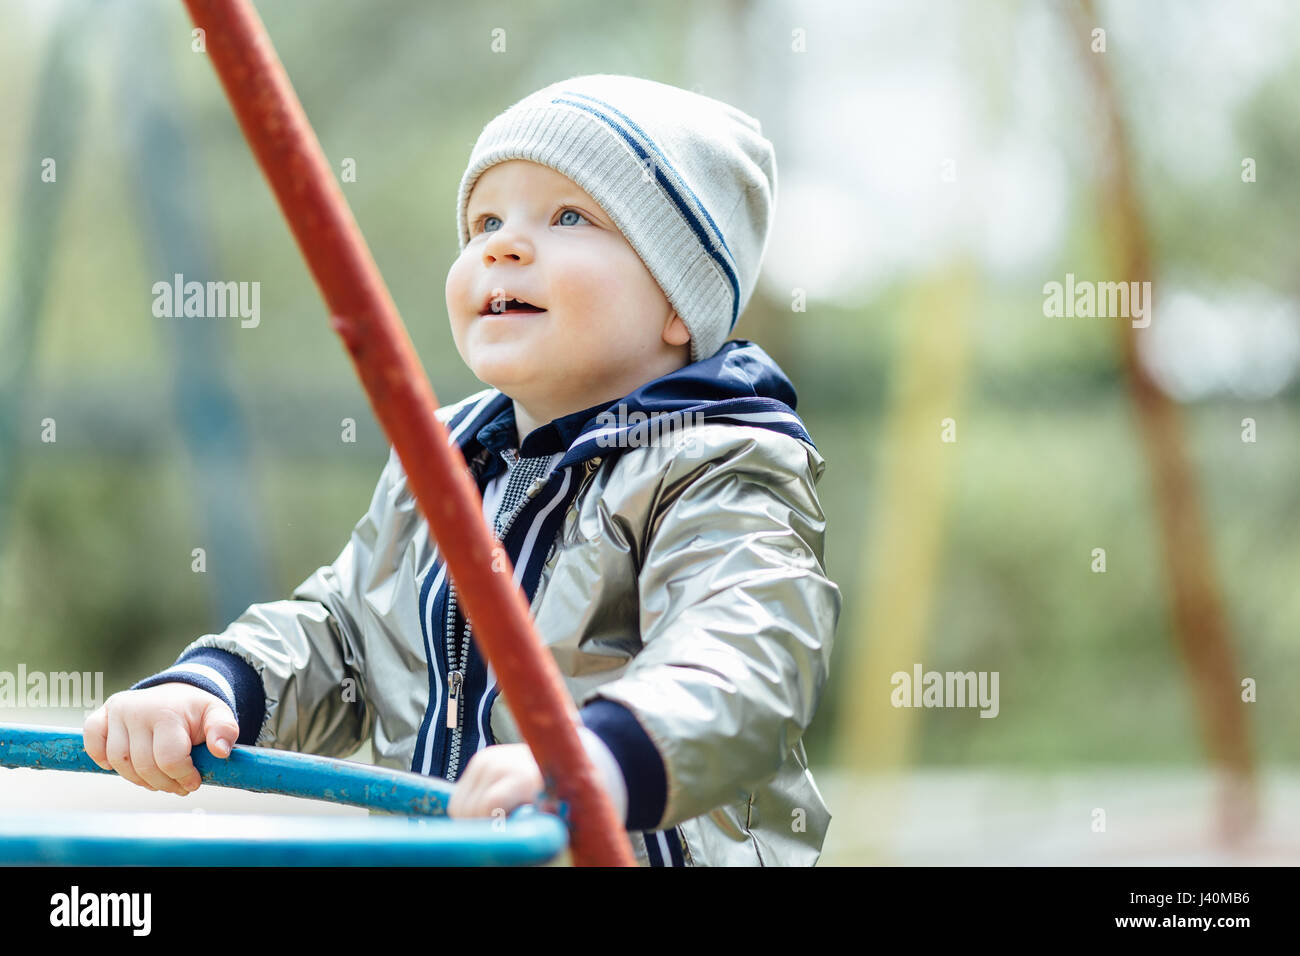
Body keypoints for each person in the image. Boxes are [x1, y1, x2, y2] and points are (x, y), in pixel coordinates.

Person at [83, 73, 841, 866]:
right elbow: (346, 634)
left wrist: (609, 757)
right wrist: (217, 686)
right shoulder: (443, 460)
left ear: (679, 301)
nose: (501, 245)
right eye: (485, 220)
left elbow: (747, 657)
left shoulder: (720, 465)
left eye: (569, 215)